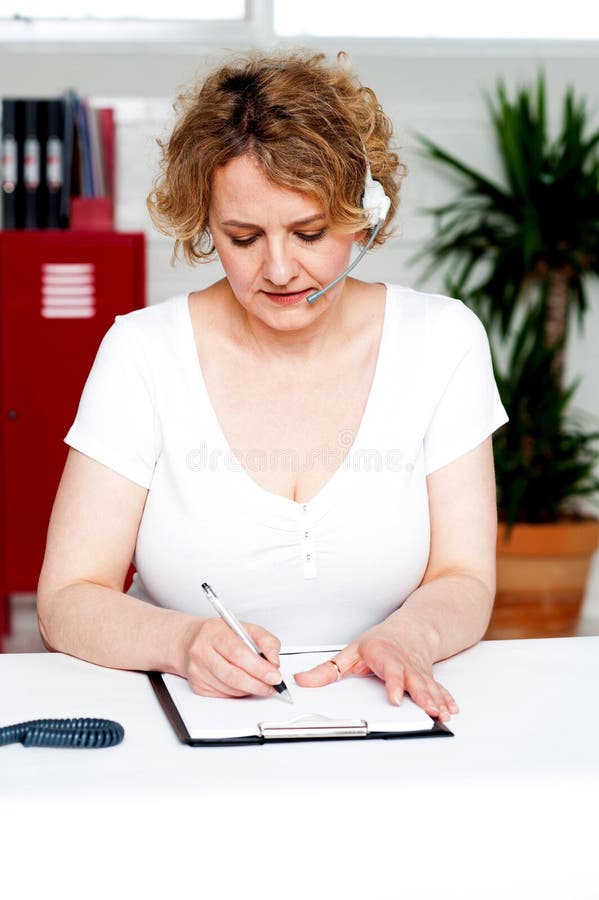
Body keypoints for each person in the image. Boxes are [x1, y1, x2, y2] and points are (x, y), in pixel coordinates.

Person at [37, 50, 508, 724]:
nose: (279, 269)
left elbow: (463, 576)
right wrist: (182, 642)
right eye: (243, 236)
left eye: (309, 232)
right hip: (191, 727)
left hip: (389, 719)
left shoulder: (441, 341)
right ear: (207, 223)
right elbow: (67, 599)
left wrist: (411, 636)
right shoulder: (142, 352)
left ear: (362, 214)